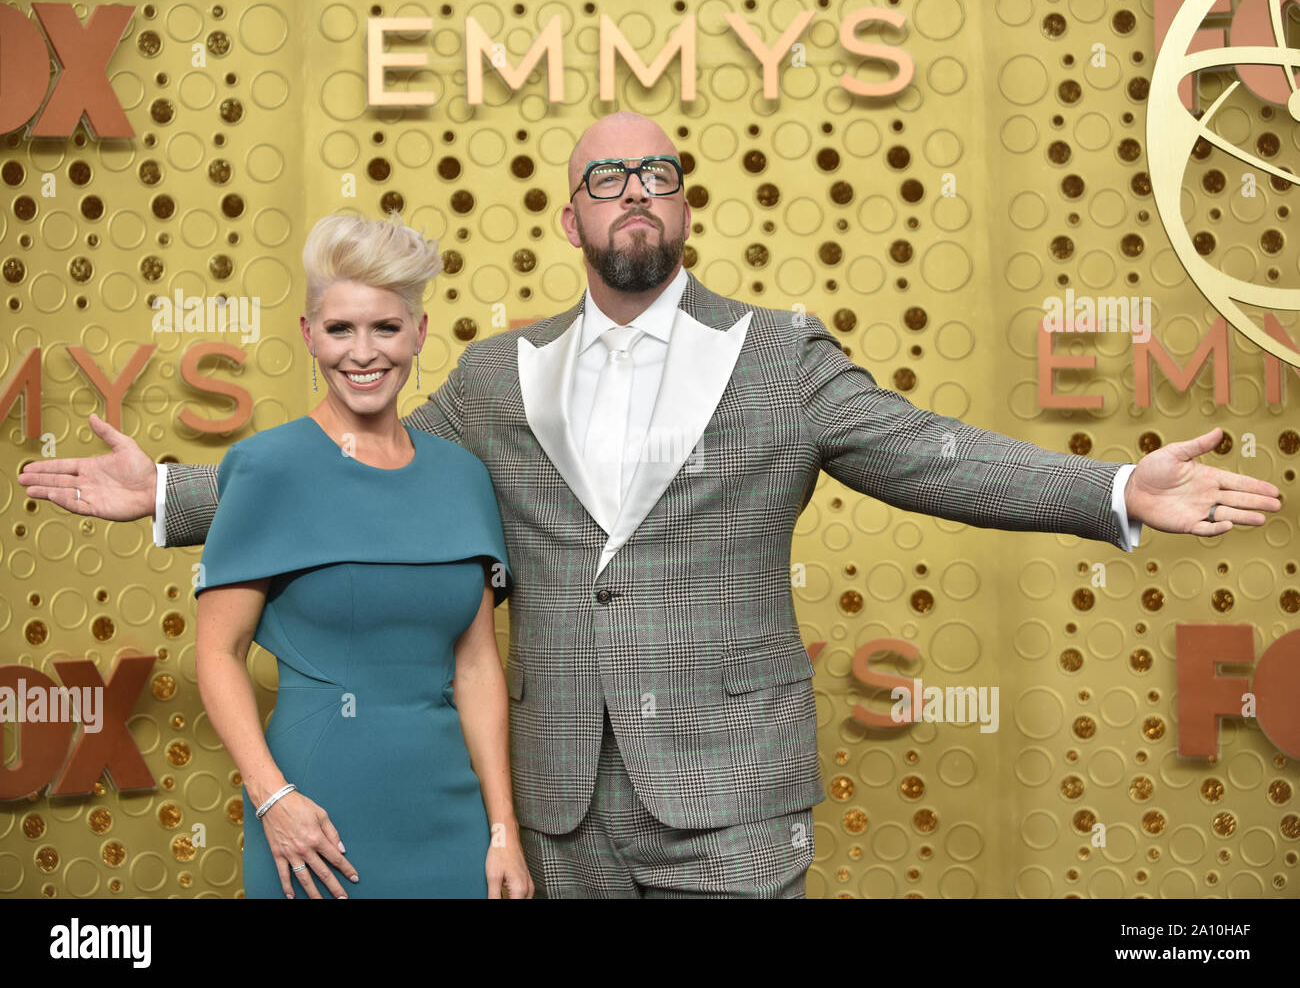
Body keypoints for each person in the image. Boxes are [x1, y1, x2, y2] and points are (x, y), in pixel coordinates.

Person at [21, 112, 1282, 899]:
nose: (633, 190)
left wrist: (1111, 485)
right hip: (554, 795)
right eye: (605, 176)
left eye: (657, 173)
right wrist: (176, 491)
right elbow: (363, 472)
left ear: (684, 207)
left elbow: (927, 452)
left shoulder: (783, 355)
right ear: (569, 215)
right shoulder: (494, 375)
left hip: (731, 789)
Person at [185, 212, 528, 898]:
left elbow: (477, 663)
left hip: (451, 819)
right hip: (313, 822)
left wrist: (503, 830)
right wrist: (273, 797)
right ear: (310, 334)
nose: (362, 352)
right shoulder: (267, 466)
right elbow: (218, 653)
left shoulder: (463, 476)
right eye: (340, 329)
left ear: (420, 333)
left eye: (386, 328)